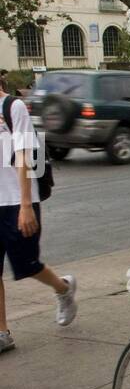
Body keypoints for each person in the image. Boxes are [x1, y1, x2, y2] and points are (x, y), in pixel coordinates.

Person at [0, 89, 77, 352]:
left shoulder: (13, 107)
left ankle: (63, 288)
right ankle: (2, 333)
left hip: (17, 200)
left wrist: (25, 205)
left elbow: (23, 156)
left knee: (27, 264)